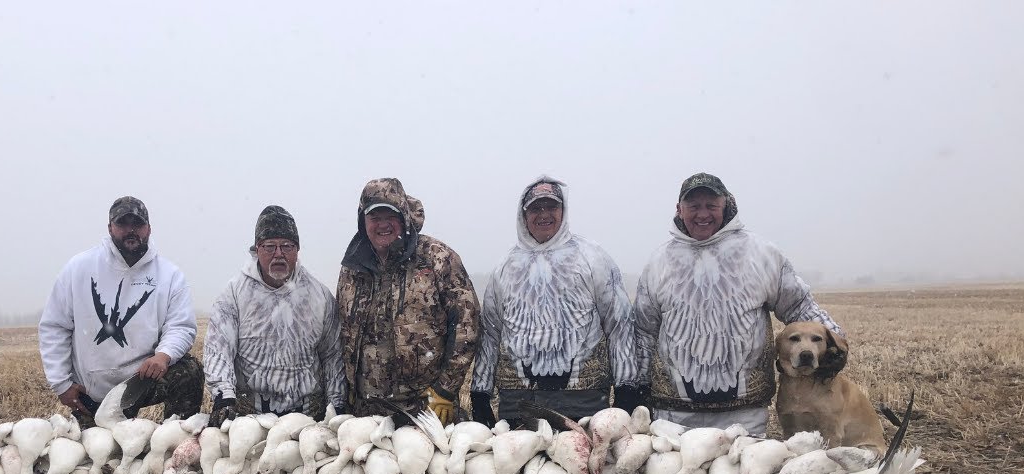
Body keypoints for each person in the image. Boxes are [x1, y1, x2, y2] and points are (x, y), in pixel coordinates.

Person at [632, 173, 842, 436]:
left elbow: (800, 307)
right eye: (694, 206)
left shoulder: (760, 254)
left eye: (711, 206)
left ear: (727, 205)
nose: (702, 214)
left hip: (743, 415)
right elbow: (643, 331)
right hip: (674, 415)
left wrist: (837, 344)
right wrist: (635, 386)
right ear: (679, 209)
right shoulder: (659, 262)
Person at [471, 176, 640, 426]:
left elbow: (620, 325)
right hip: (519, 403)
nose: (544, 215)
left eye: (552, 207)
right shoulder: (505, 267)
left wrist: (627, 390)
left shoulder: (592, 257)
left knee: (580, 463)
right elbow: (490, 335)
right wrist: (480, 394)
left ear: (563, 210)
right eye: (536, 208)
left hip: (583, 401)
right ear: (523, 214)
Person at [38, 196, 203, 426]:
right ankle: (95, 420)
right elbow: (54, 327)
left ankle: (174, 441)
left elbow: (181, 326)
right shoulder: (79, 269)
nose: (130, 231)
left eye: (137, 224)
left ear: (149, 228)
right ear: (109, 228)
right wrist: (61, 384)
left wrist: (163, 355)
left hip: (140, 382)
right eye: (122, 224)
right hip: (92, 389)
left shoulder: (169, 275)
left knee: (189, 371)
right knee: (94, 454)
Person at [336, 178, 479, 422]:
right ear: (363, 221)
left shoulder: (436, 258)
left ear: (404, 216)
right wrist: (347, 390)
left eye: (390, 216)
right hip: (366, 413)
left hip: (425, 410)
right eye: (374, 217)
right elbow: (342, 332)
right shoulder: (352, 267)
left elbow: (468, 324)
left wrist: (445, 390)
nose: (383, 225)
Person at [203, 205, 347, 426]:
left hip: (309, 416)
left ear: (297, 250)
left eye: (287, 246)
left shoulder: (319, 296)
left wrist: (336, 405)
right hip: (250, 414)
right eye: (270, 246)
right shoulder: (234, 294)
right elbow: (218, 349)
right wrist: (224, 397)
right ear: (257, 249)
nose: (278, 254)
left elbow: (333, 355)